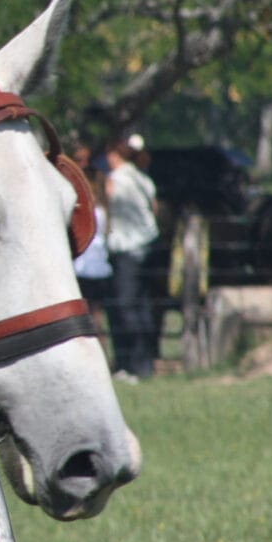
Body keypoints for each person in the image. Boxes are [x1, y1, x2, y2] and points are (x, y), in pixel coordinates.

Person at [103, 132, 160, 382]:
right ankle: (146, 363)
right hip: (147, 246)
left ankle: (130, 364)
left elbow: (103, 206)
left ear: (113, 154)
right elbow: (154, 208)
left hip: (126, 249)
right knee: (142, 305)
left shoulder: (115, 179)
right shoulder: (143, 178)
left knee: (124, 306)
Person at [70, 142, 113, 361]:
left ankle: (92, 358)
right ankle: (102, 358)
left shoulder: (88, 208)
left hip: (84, 266)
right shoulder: (104, 208)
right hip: (99, 266)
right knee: (96, 315)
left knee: (87, 316)